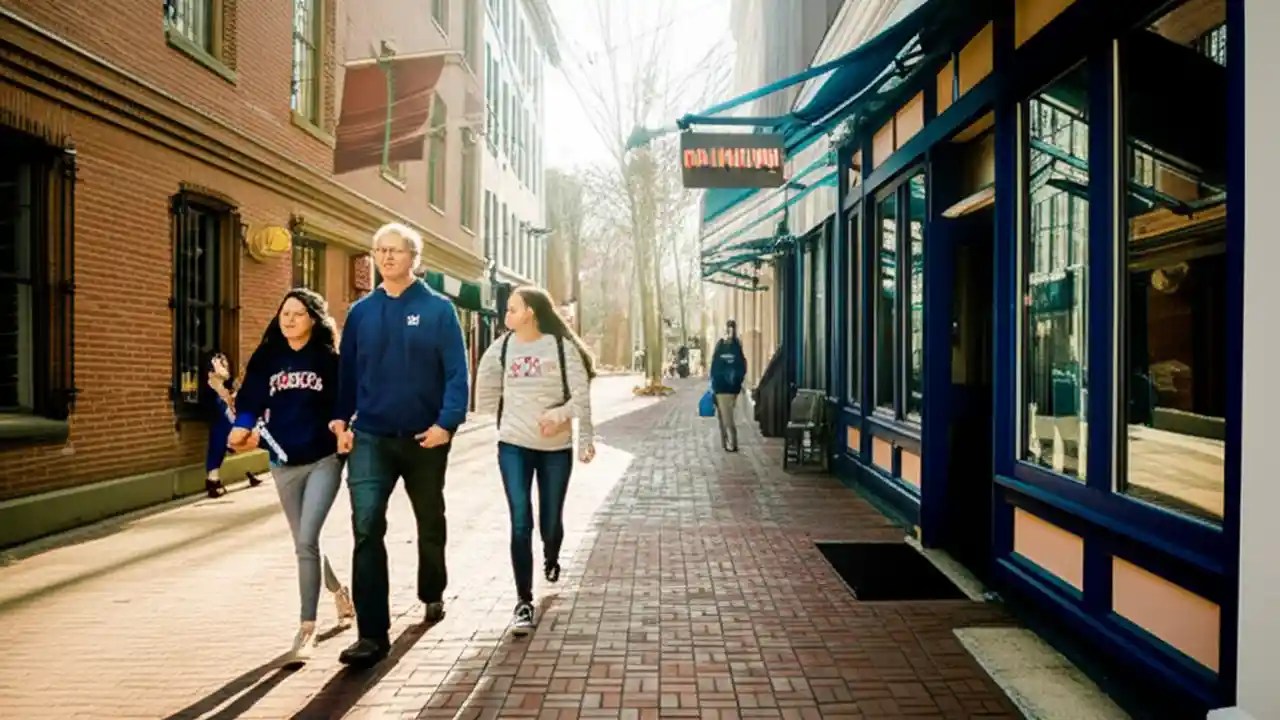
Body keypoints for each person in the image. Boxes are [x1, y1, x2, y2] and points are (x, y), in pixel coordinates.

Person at [330, 222, 471, 668]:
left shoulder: (438, 310)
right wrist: (340, 419)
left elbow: (455, 374)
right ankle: (372, 635)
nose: (386, 257)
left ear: (415, 257)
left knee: (429, 519)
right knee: (367, 529)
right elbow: (346, 374)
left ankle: (432, 590)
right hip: (370, 436)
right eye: (379, 250)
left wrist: (447, 423)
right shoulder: (360, 313)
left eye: (396, 250)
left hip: (424, 438)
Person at [226, 289, 356, 663]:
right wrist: (242, 427)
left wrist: (345, 429)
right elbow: (250, 400)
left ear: (313, 319)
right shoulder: (268, 356)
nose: (289, 320)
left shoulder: (329, 359)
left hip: (323, 459)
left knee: (307, 538)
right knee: (305, 542)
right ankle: (338, 591)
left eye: (298, 314)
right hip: (283, 461)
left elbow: (345, 402)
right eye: (285, 313)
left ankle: (306, 629)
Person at [475, 286, 596, 636]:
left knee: (550, 521)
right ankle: (523, 601)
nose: (506, 315)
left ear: (530, 311)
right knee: (519, 521)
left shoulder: (562, 348)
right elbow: (486, 392)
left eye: (512, 309)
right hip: (513, 444)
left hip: (555, 449)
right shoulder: (502, 348)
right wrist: (485, 419)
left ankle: (551, 555)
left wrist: (567, 422)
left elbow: (582, 399)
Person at [203, 352, 263, 498]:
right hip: (222, 429)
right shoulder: (210, 392)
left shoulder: (225, 390)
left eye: (227, 364)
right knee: (222, 433)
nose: (227, 367)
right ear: (211, 370)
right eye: (222, 364)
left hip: (230, 429)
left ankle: (243, 472)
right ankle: (213, 479)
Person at [709, 320, 747, 453]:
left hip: (726, 388)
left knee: (727, 416)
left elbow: (715, 366)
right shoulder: (727, 346)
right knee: (722, 416)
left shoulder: (734, 347)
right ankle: (725, 442)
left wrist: (736, 383)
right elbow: (714, 367)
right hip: (723, 387)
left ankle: (732, 442)